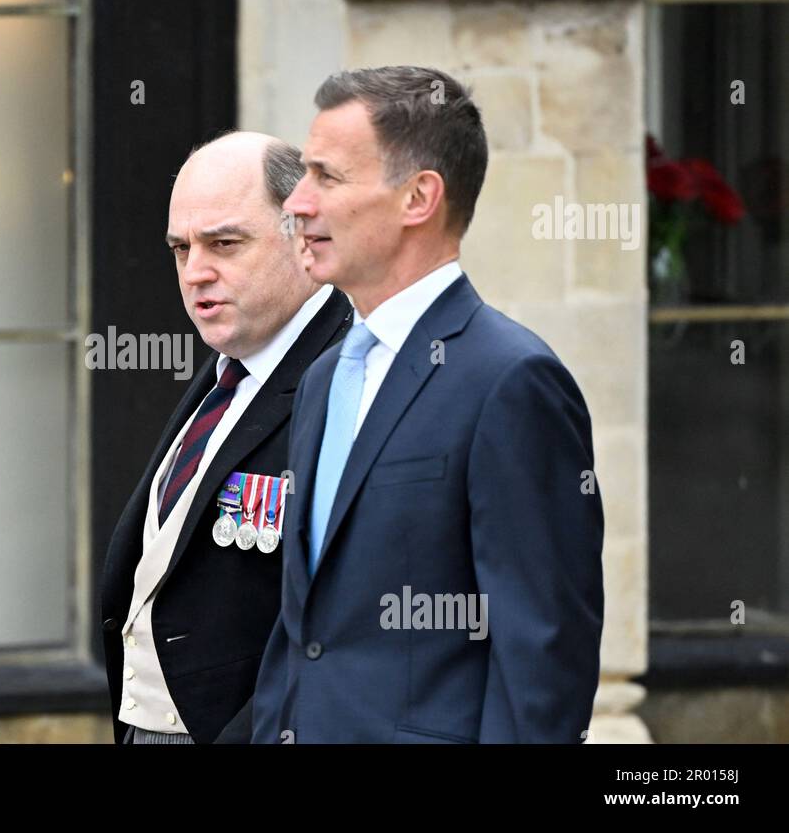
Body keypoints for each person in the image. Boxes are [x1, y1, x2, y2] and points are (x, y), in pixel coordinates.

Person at [251, 66, 604, 744]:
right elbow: (304, 630)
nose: (296, 203)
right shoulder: (324, 378)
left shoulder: (512, 380)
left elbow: (542, 661)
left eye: (326, 176)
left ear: (418, 197)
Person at [100, 131, 353, 744]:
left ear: (306, 238)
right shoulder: (228, 371)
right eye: (180, 248)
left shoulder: (352, 382)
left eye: (225, 243)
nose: (196, 272)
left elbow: (344, 628)